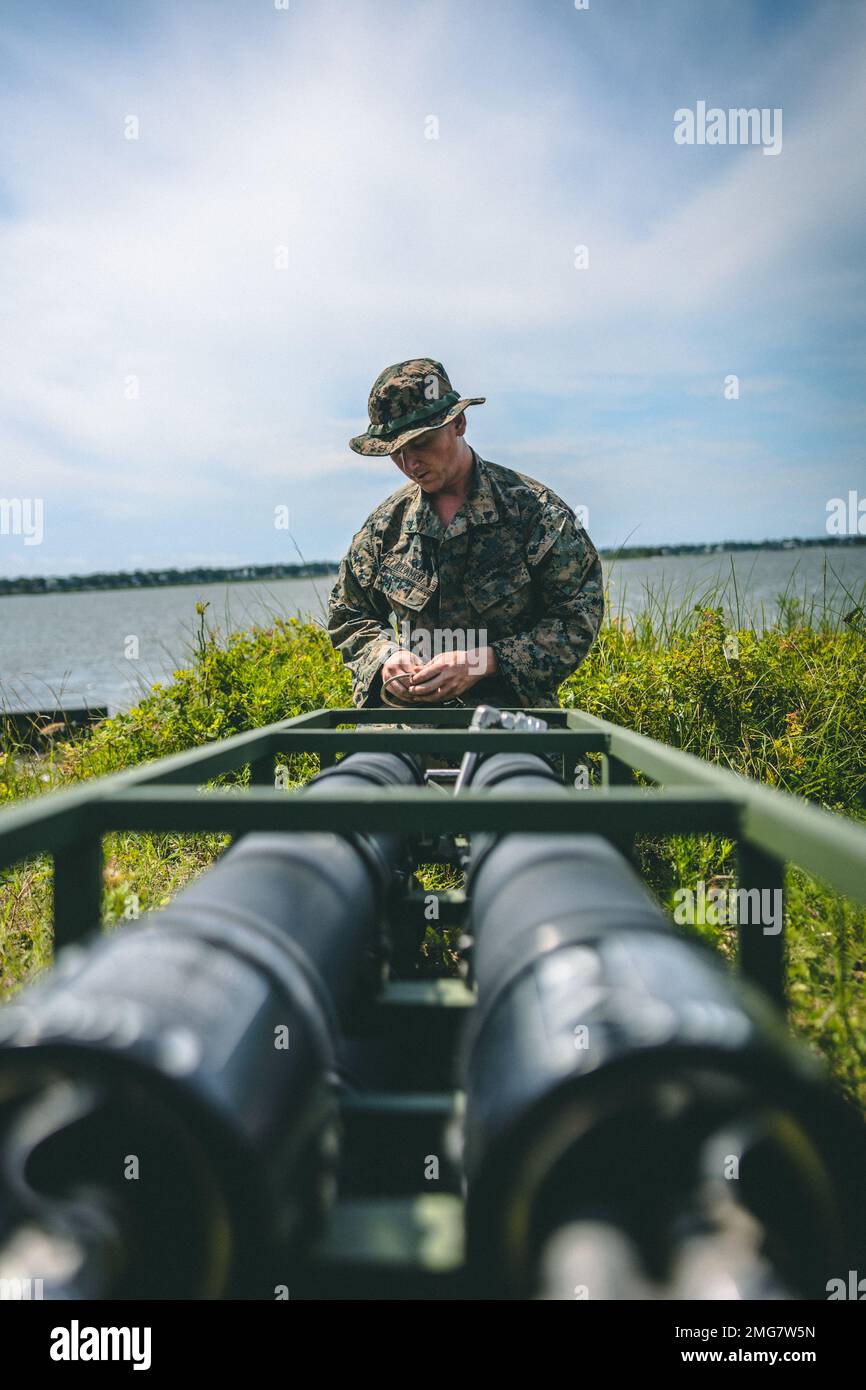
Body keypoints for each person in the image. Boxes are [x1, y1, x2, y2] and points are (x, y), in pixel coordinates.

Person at [327, 358, 604, 709]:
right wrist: (385, 657)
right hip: (406, 729)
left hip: (510, 726)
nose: (410, 464)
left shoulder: (536, 513)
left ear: (458, 423)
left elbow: (577, 619)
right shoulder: (386, 527)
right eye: (396, 453)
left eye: (422, 443)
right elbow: (348, 612)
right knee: (362, 768)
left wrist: (481, 662)